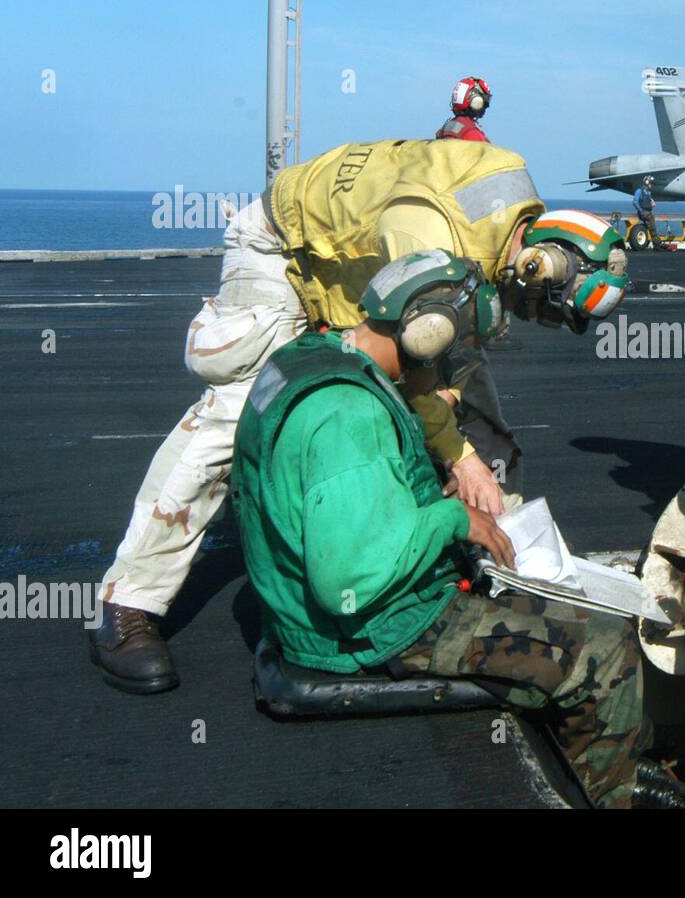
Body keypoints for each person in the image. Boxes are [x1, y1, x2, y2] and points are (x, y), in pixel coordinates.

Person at [89, 137, 629, 694]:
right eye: (538, 305)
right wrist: (459, 458)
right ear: (537, 262)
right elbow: (414, 360)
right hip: (286, 251)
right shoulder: (430, 237)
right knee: (237, 411)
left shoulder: (510, 210)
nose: (530, 317)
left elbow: (449, 356)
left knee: (468, 402)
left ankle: (484, 552)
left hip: (359, 269)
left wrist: (466, 448)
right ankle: (126, 604)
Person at [228, 252, 665, 808]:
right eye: (451, 349)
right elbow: (350, 580)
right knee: (608, 647)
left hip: (304, 605)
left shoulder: (308, 357)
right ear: (426, 332)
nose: (450, 369)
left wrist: (426, 499)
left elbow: (330, 495)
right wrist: (451, 518)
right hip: (372, 627)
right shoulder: (349, 414)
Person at [436, 76, 492, 142]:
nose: (487, 105)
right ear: (475, 100)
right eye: (485, 100)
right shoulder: (471, 132)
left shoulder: (447, 127)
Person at [632, 176, 657, 247]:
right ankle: (657, 245)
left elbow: (648, 201)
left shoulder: (647, 192)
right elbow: (635, 202)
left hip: (647, 212)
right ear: (647, 182)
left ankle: (648, 241)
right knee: (653, 230)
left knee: (650, 227)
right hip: (645, 213)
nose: (651, 185)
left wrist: (652, 203)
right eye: (650, 183)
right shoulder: (640, 190)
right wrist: (641, 211)